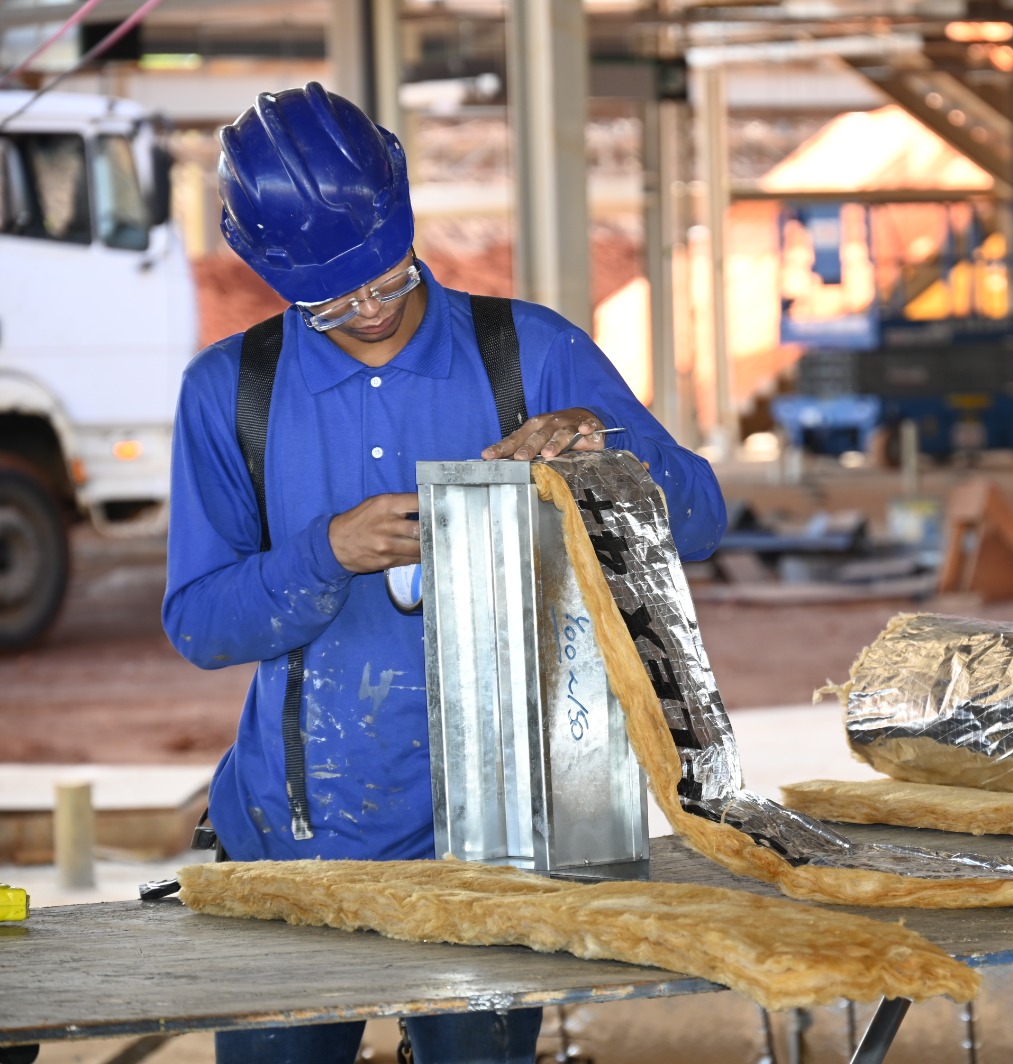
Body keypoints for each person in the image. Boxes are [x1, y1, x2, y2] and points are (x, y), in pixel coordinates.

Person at [162, 83, 726, 1064]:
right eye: (331, 304)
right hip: (293, 847)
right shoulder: (229, 393)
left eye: (388, 279)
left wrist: (605, 449)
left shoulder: (530, 353)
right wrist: (322, 555)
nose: (372, 313)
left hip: (498, 847)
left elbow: (705, 520)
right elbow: (201, 625)